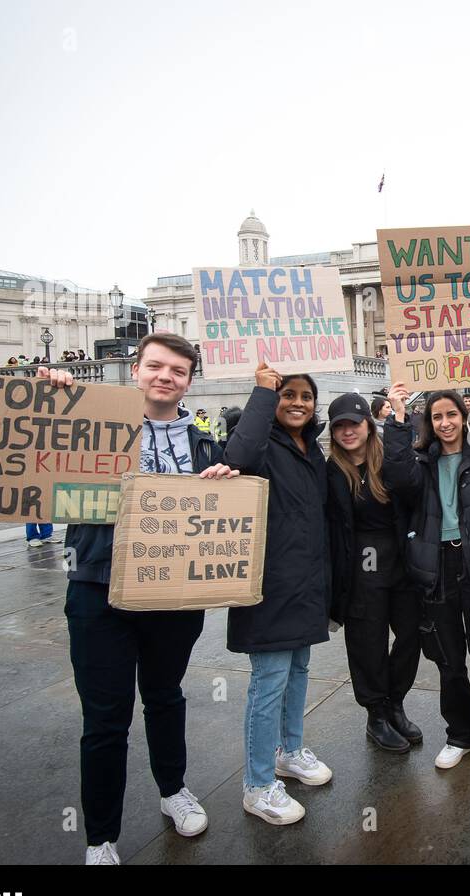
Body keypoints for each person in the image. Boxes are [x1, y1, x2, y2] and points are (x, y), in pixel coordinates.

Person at [46, 333, 238, 864]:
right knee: (105, 717)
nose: (165, 376)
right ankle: (101, 837)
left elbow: (222, 516)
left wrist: (224, 481)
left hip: (173, 593)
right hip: (97, 587)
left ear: (189, 381)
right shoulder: (89, 424)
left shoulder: (205, 445)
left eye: (177, 370)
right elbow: (37, 452)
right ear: (135, 370)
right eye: (155, 366)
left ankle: (173, 791)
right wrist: (54, 396)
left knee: (165, 696)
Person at [383, 376, 470, 779]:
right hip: (436, 568)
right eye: (437, 416)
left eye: (452, 415)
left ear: (464, 418)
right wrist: (396, 417)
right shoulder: (421, 463)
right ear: (428, 421)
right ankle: (460, 735)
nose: (445, 423)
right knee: (448, 661)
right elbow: (396, 476)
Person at [222, 364, 333, 825]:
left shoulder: (312, 450)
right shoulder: (262, 442)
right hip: (268, 584)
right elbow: (239, 454)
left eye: (305, 396)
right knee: (269, 682)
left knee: (299, 670)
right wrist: (263, 391)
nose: (298, 403)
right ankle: (258, 784)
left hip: (306, 583)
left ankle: (290, 751)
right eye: (289, 395)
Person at [326, 391, 424, 752]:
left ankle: (394, 701)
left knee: (411, 634)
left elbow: (412, 487)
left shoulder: (390, 459)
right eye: (340, 426)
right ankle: (376, 714)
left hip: (399, 559)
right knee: (367, 643)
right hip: (361, 565)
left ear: (369, 424)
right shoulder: (333, 471)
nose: (348, 431)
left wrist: (399, 420)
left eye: (354, 423)